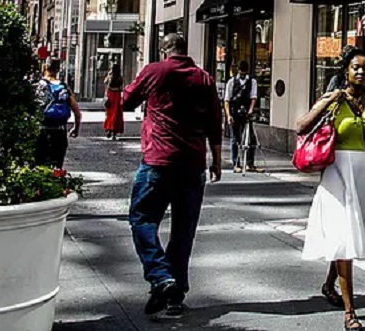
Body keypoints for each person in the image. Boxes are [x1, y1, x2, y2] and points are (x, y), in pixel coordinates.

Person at [122, 33, 223, 319]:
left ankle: (160, 275)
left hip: (158, 162)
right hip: (193, 164)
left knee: (141, 218)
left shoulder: (155, 71)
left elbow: (127, 101)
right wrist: (217, 160)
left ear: (165, 50)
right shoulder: (204, 78)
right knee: (183, 230)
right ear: (184, 49)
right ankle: (173, 295)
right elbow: (215, 123)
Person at [297, 51, 365, 330]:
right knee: (345, 234)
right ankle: (350, 312)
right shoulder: (334, 101)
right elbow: (301, 126)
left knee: (349, 236)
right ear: (346, 72)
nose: (361, 72)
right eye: (356, 68)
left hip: (362, 172)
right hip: (337, 172)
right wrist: (328, 101)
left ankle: (329, 284)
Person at [34, 58, 82, 169]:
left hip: (41, 130)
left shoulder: (38, 87)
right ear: (58, 70)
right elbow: (77, 112)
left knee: (39, 164)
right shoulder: (64, 88)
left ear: (45, 67)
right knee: (57, 165)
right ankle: (56, 183)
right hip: (59, 131)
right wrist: (76, 128)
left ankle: (40, 185)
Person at [223, 60, 258, 171]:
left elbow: (253, 97)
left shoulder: (252, 82)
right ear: (238, 70)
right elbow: (227, 100)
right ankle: (236, 164)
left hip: (246, 113)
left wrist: (251, 110)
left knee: (251, 139)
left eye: (244, 72)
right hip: (234, 112)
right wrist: (228, 115)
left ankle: (249, 163)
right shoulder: (231, 82)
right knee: (235, 139)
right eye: (241, 72)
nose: (243, 74)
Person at [103, 64, 125, 140]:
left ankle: (109, 128)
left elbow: (105, 82)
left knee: (109, 113)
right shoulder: (120, 78)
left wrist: (109, 74)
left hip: (110, 95)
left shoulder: (110, 77)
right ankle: (114, 133)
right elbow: (121, 86)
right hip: (117, 95)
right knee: (117, 113)